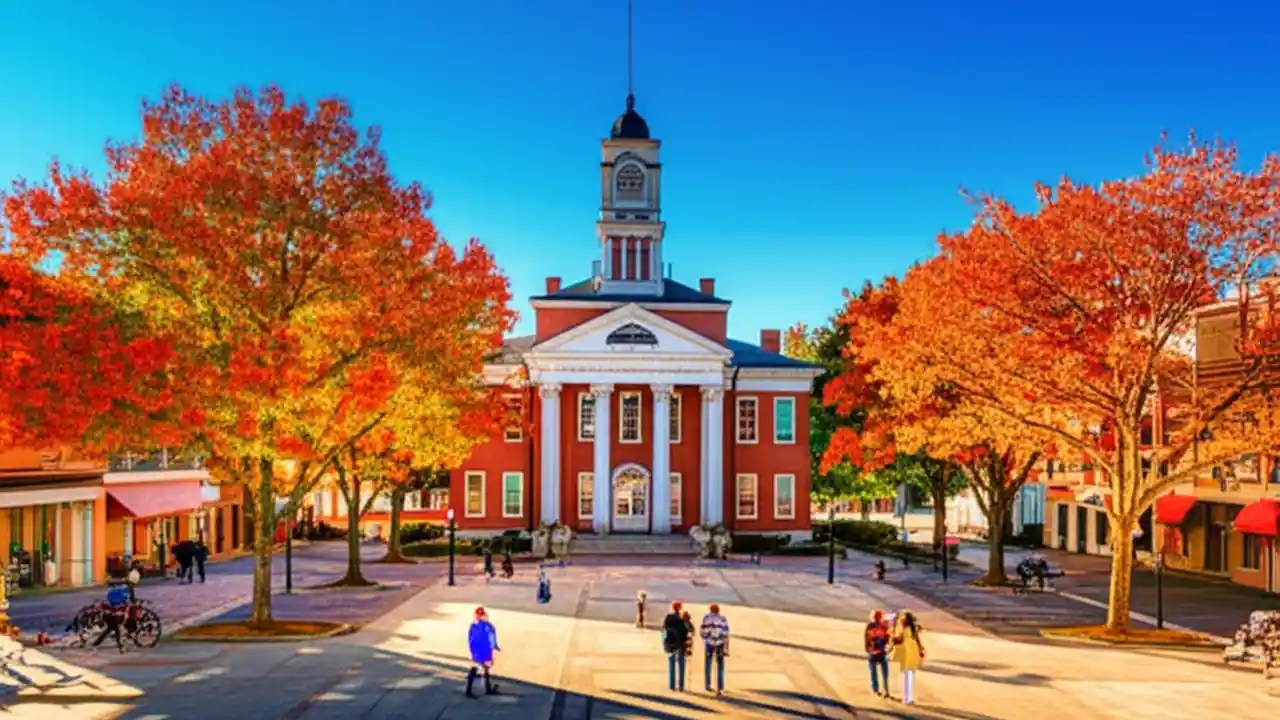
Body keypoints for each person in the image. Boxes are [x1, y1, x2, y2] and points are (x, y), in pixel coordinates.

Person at [891, 610, 925, 706]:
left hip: (907, 654)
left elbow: (898, 640)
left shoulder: (905, 630)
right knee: (909, 676)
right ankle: (908, 698)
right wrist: (921, 650)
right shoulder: (913, 629)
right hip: (912, 654)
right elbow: (918, 640)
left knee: (907, 677)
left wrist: (893, 629)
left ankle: (907, 698)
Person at [466, 607, 501, 698]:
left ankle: (470, 689)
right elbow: (491, 637)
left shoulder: (473, 626)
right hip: (485, 650)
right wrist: (495, 646)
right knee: (484, 668)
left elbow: (470, 639)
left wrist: (472, 649)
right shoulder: (488, 626)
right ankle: (486, 689)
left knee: (476, 667)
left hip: (476, 650)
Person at [699, 603, 730, 695]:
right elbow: (726, 633)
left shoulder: (706, 618)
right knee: (720, 665)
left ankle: (707, 684)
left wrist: (705, 637)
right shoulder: (723, 619)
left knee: (708, 663)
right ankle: (720, 687)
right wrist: (726, 646)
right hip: (720, 643)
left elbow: (703, 631)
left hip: (709, 643)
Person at [661, 602, 689, 691]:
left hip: (670, 643)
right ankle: (681, 685)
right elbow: (689, 630)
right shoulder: (682, 618)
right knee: (681, 665)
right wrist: (687, 620)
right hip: (680, 644)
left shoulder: (668, 617)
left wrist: (664, 642)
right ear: (680, 608)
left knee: (671, 664)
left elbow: (664, 630)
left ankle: (672, 685)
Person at [865, 609, 891, 697]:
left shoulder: (872, 626)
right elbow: (887, 637)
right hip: (879, 651)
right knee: (883, 673)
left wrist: (868, 648)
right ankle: (884, 690)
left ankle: (877, 689)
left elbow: (867, 638)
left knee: (875, 672)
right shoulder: (881, 626)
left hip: (876, 651)